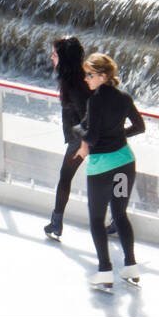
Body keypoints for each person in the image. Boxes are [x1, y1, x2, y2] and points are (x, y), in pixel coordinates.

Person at [72, 53, 145, 289]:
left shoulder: (95, 100)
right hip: (124, 163)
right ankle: (131, 265)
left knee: (96, 218)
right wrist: (118, 136)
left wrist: (77, 130)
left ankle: (105, 270)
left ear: (102, 76)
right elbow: (140, 126)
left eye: (90, 75)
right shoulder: (124, 97)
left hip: (102, 168)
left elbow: (91, 137)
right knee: (120, 214)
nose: (86, 79)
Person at [43, 37, 90, 240]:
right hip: (84, 138)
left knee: (65, 178)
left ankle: (56, 221)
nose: (51, 57)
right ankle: (56, 221)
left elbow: (86, 116)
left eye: (54, 54)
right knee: (103, 178)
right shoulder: (75, 79)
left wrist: (83, 144)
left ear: (64, 59)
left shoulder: (73, 84)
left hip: (83, 140)